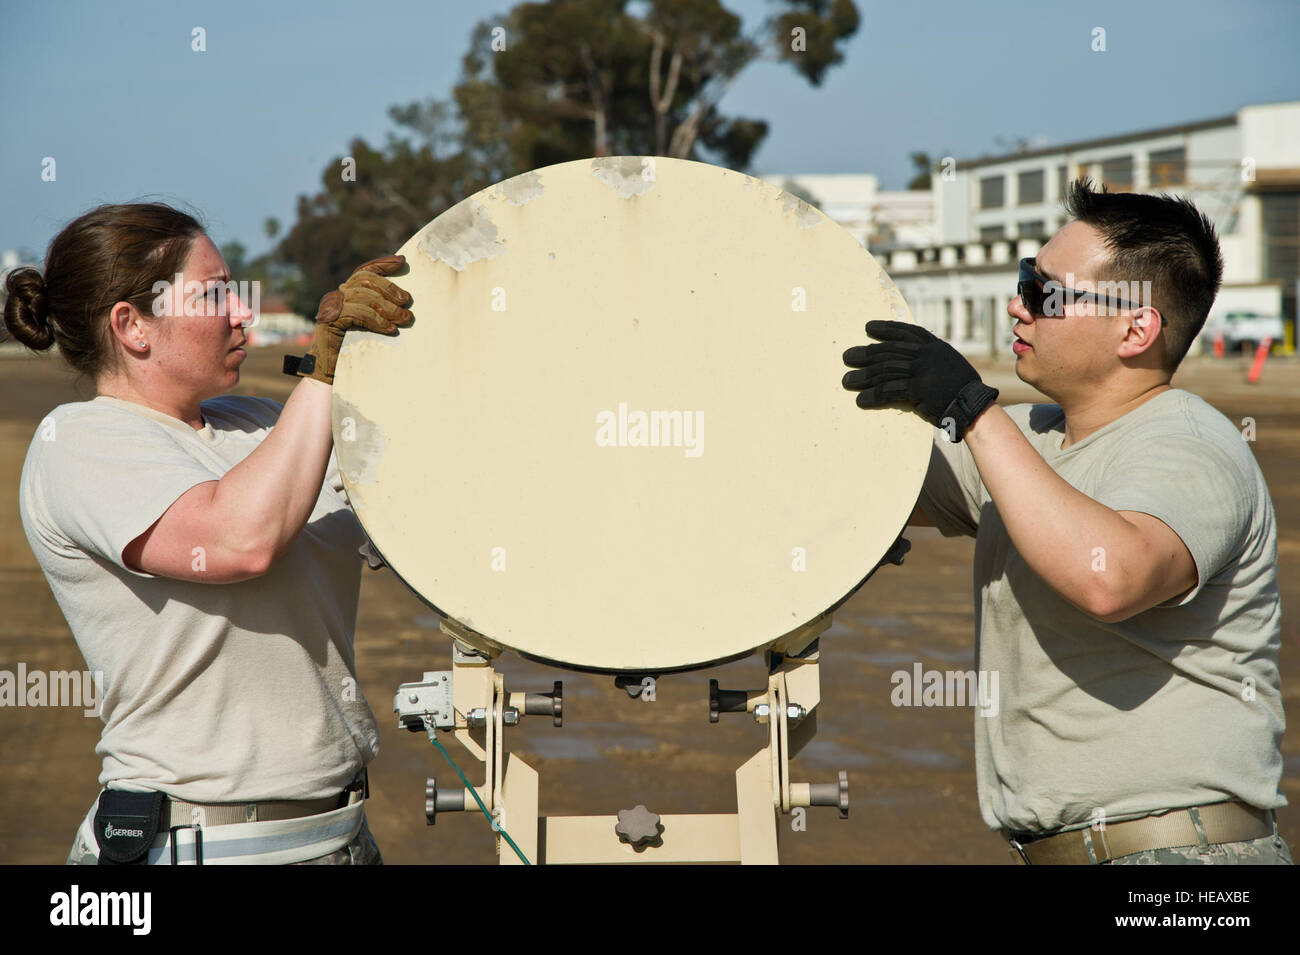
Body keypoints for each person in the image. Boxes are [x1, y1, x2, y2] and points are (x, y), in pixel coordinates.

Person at [842, 178, 1290, 865]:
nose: (1017, 305)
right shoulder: (1034, 440)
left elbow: (1109, 577)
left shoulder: (1190, 446)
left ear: (1136, 328)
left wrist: (972, 411)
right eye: (1027, 279)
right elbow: (868, 490)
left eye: (1045, 292)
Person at [4, 202, 413, 864]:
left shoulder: (260, 421)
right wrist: (322, 373)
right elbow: (238, 539)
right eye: (216, 293)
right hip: (198, 847)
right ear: (132, 325)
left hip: (341, 840)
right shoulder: (77, 442)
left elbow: (421, 517)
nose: (242, 313)